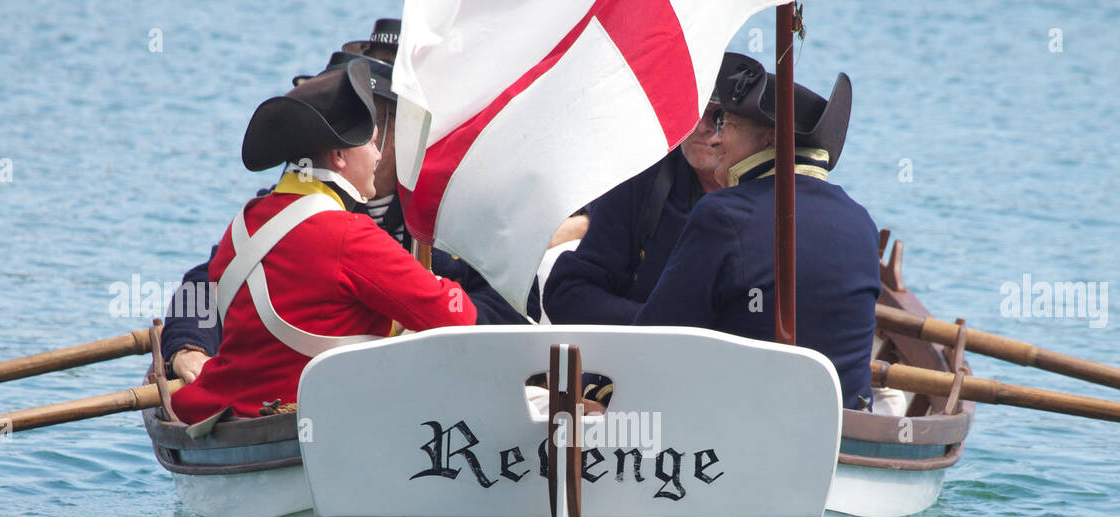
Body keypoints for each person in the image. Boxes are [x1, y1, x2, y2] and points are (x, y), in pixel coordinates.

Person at [170, 60, 475, 425]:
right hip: (322, 416)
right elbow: (456, 316)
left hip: (231, 413)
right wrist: (439, 288)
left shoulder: (242, 226)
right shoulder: (350, 235)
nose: (379, 156)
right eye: (373, 144)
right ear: (340, 157)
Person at [632, 55, 879, 410]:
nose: (716, 139)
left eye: (726, 124)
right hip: (848, 424)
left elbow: (655, 343)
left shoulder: (721, 215)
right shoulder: (862, 221)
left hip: (747, 426)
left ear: (769, 140)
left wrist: (595, 390)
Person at [541, 54, 742, 325]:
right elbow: (568, 294)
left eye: (719, 116)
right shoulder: (641, 182)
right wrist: (657, 327)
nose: (702, 127)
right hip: (645, 359)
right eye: (692, 109)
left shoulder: (775, 199)